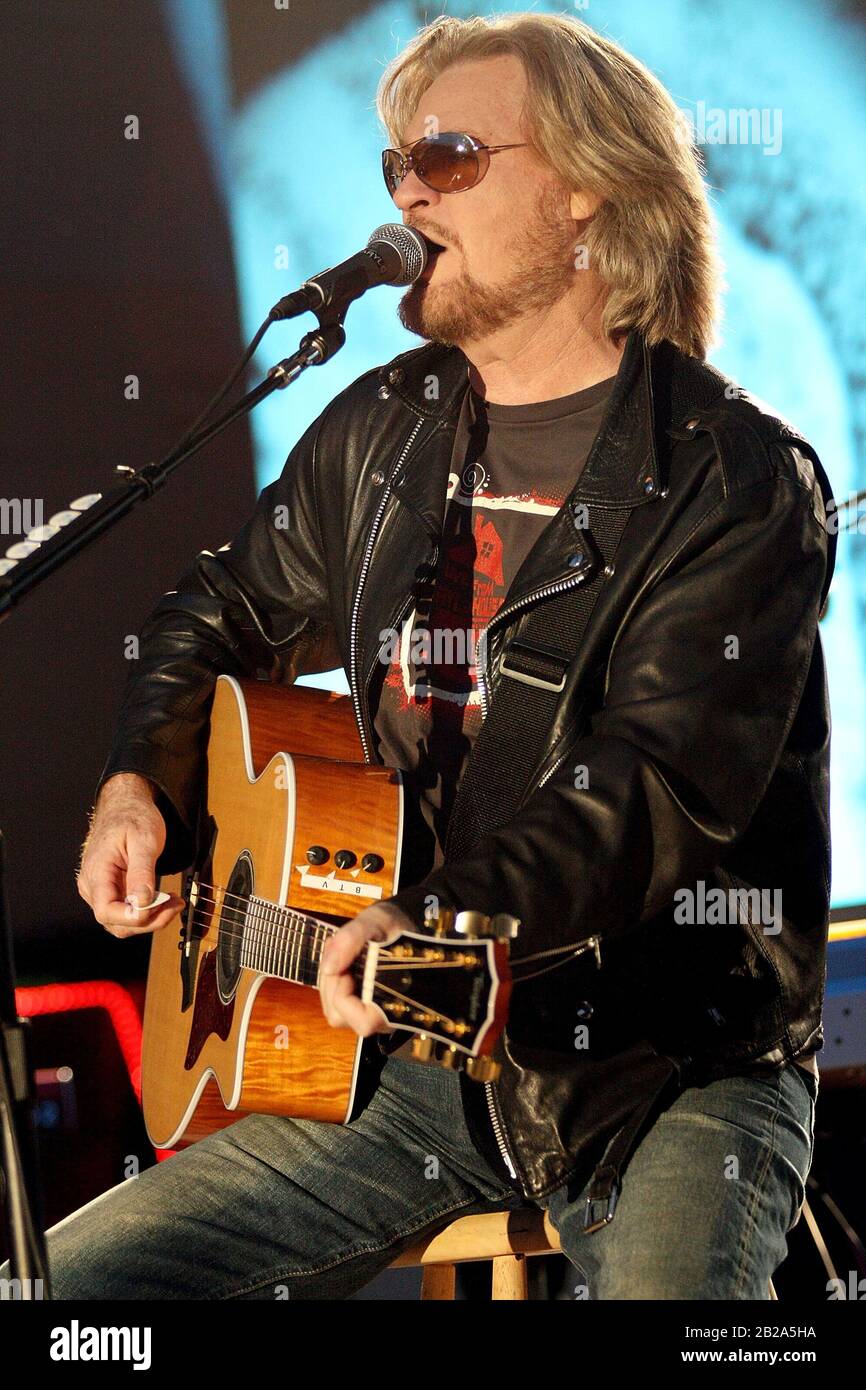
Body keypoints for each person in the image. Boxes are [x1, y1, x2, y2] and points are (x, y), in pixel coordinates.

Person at [18, 12, 834, 1299]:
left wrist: (447, 912)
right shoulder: (382, 430)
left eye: (448, 155)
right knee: (59, 1298)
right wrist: (142, 779)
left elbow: (653, 786)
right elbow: (218, 608)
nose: (404, 188)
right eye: (396, 160)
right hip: (411, 1073)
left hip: (664, 1073)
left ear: (583, 191)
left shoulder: (730, 478)